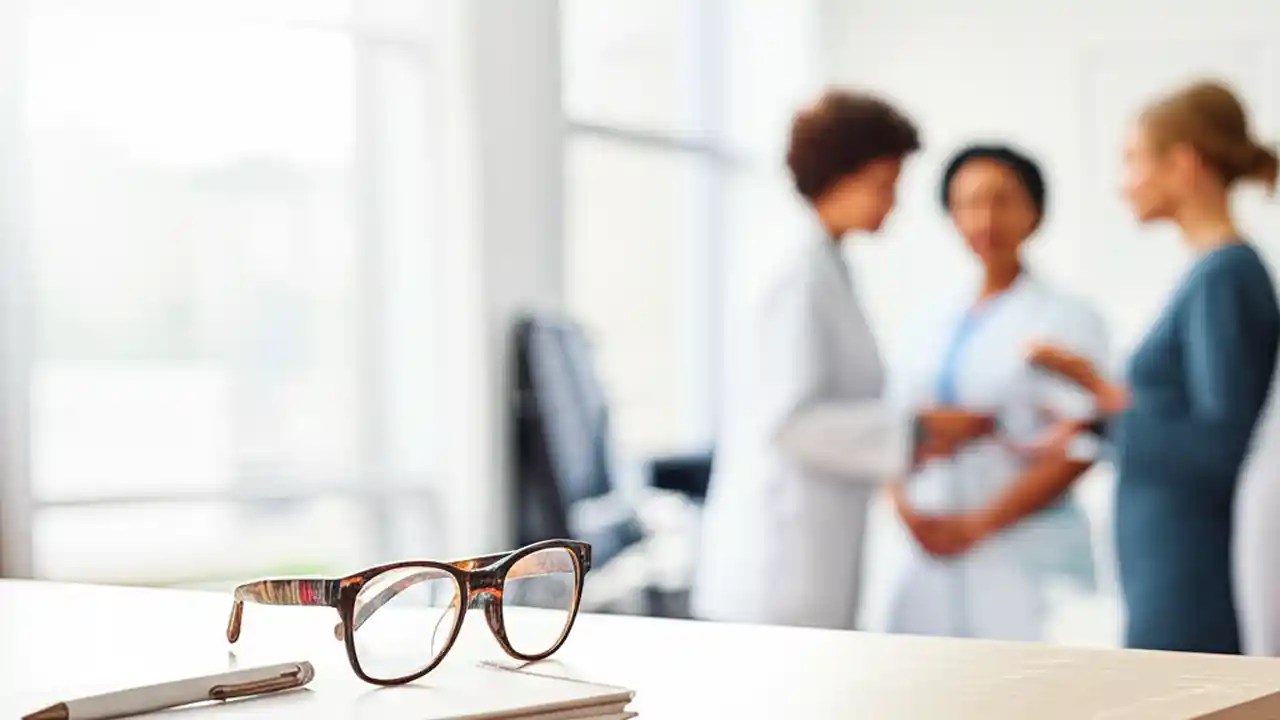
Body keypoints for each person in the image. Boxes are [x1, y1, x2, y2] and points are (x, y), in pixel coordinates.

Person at [693, 91, 994, 629]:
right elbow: (790, 420)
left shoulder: (827, 265)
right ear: (842, 177)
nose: (892, 203)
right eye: (884, 185)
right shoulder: (797, 274)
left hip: (811, 545)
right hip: (780, 558)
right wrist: (917, 431)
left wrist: (914, 432)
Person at [1031, 81, 1280, 654]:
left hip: (1192, 571)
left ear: (1183, 164)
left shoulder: (1226, 278)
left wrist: (1103, 401)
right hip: (1169, 562)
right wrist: (1096, 422)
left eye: (1133, 160)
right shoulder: (1210, 274)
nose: (1124, 184)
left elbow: (1222, 445)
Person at [858, 145, 1108, 641]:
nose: (984, 217)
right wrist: (906, 512)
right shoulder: (925, 323)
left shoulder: (1068, 319)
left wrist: (979, 524)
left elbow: (1088, 440)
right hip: (926, 550)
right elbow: (885, 426)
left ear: (1034, 211)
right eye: (968, 203)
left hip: (1024, 552)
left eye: (1002, 200)